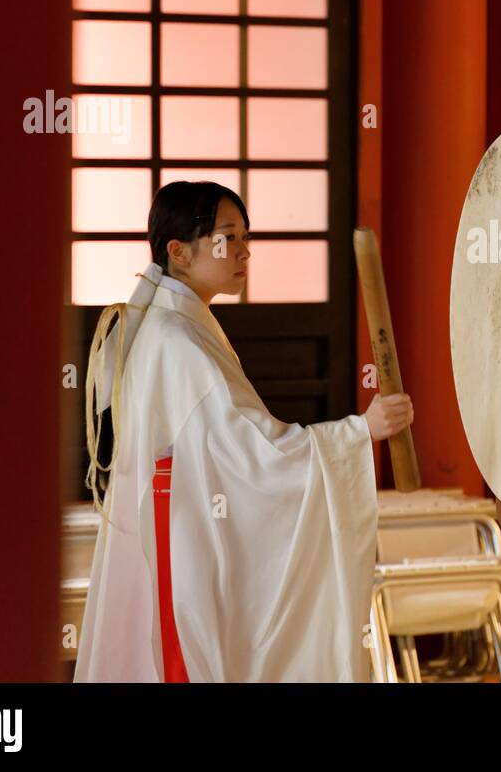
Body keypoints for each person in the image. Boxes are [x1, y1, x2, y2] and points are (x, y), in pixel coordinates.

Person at [73, 181, 413, 682]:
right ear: (179, 252)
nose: (244, 252)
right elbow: (257, 455)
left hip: (180, 529)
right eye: (227, 238)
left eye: (245, 237)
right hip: (183, 539)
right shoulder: (176, 338)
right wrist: (360, 431)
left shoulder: (176, 326)